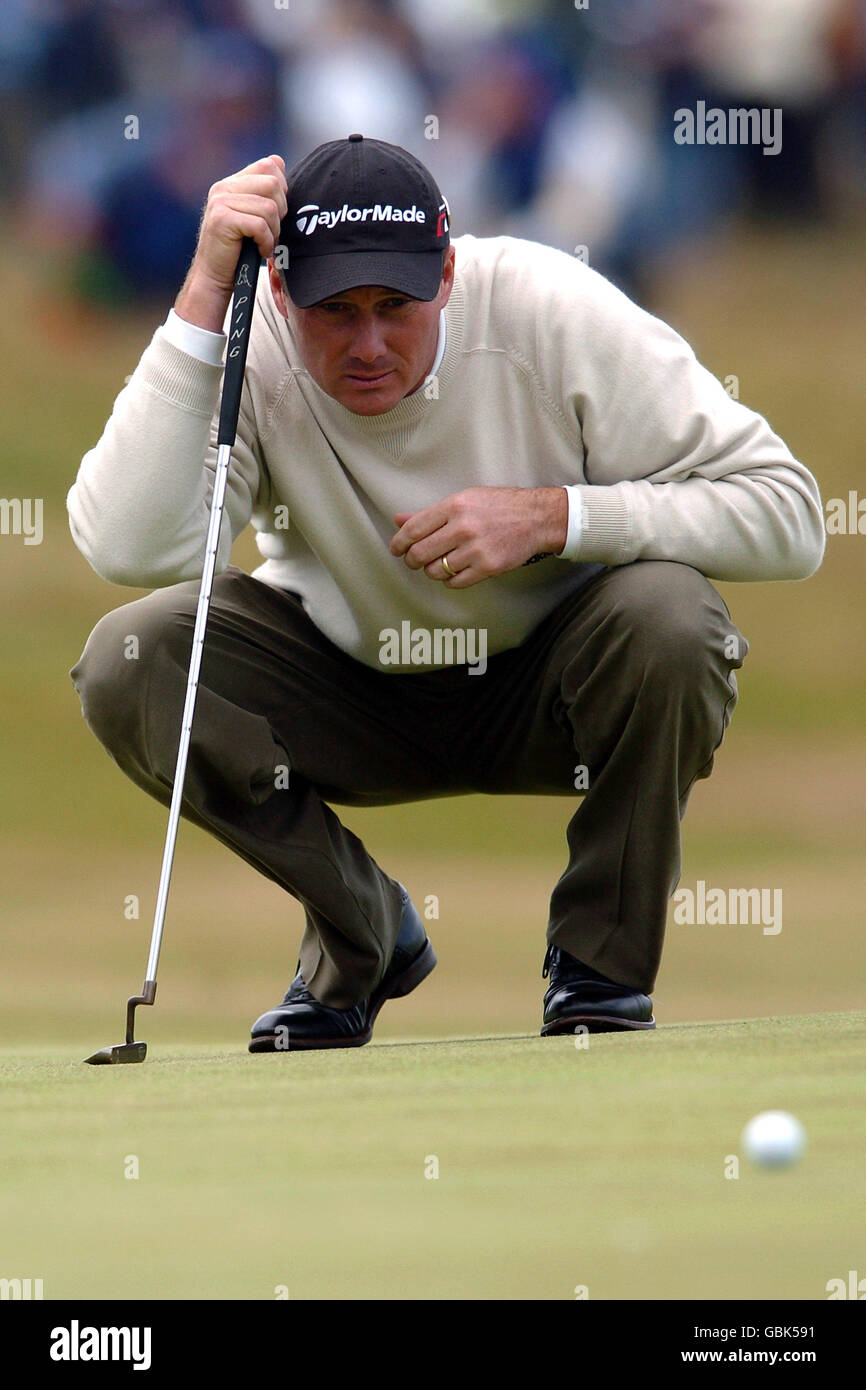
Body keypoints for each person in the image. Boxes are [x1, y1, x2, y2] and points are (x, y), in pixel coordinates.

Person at [67, 135, 825, 1051]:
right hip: (345, 691)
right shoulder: (246, 341)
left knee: (672, 618)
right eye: (334, 311)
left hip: (555, 689)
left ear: (449, 275)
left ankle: (599, 974)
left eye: (396, 305)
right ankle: (363, 935)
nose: (369, 343)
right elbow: (130, 546)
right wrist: (199, 295)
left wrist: (556, 517)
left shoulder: (551, 308)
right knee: (128, 657)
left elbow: (791, 516)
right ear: (278, 291)